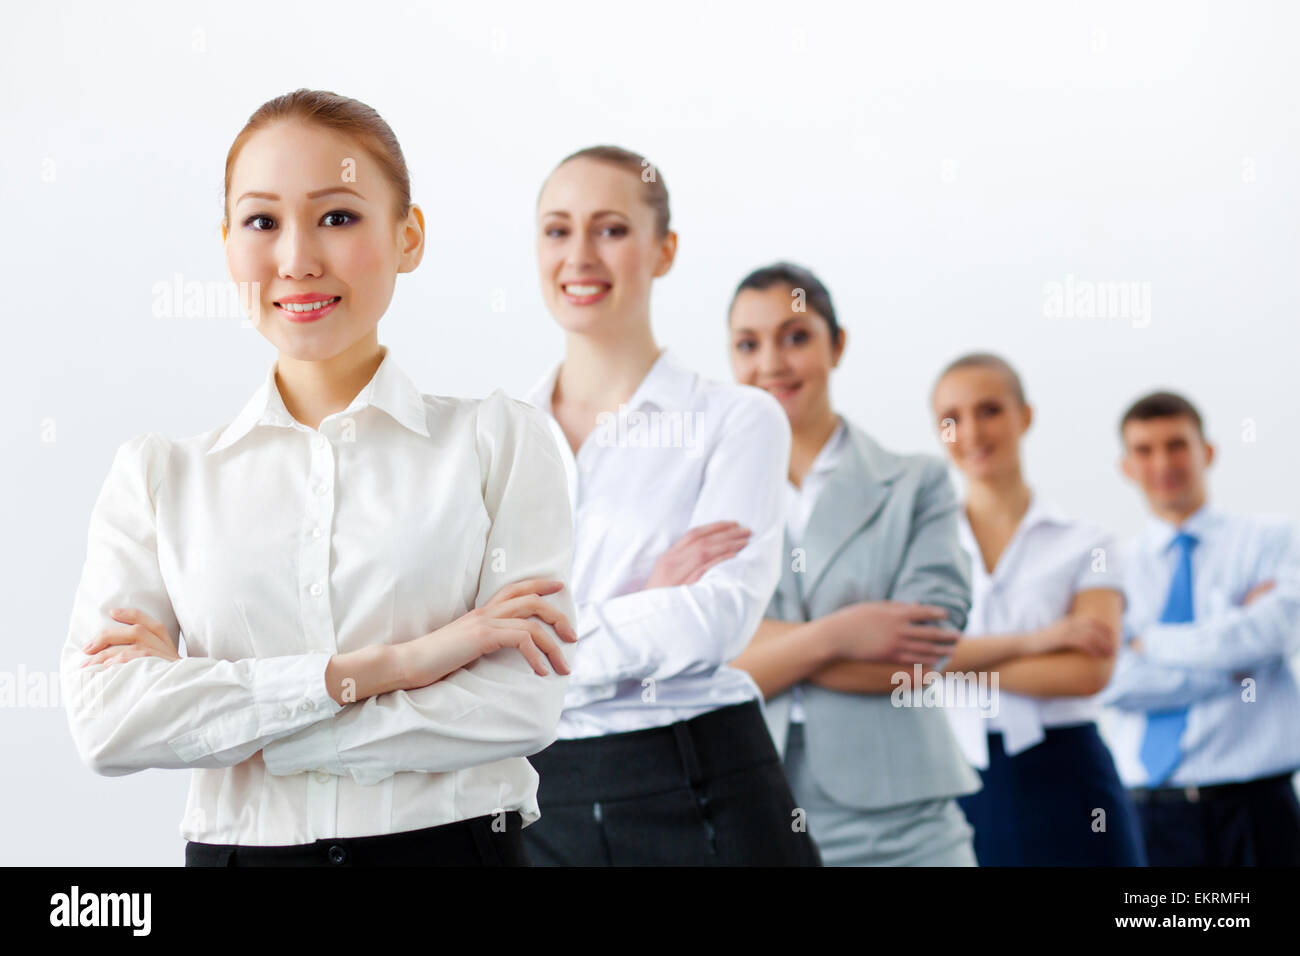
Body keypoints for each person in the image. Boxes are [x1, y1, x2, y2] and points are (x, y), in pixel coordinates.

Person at [60, 89, 577, 867]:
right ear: (227, 241)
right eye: (262, 221)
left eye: (337, 216)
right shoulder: (160, 478)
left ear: (409, 237)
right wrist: (394, 666)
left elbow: (518, 706)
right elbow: (106, 725)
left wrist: (239, 715)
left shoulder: (500, 443)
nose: (296, 258)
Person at [519, 148, 820, 866]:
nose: (580, 255)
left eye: (611, 229)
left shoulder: (737, 419)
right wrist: (645, 600)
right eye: (558, 231)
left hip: (700, 777)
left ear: (665, 249)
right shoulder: (495, 437)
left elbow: (715, 619)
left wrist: (530, 644)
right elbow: (456, 635)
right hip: (537, 794)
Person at [727, 261, 980, 866]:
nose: (772, 363)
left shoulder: (915, 483)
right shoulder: (708, 495)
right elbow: (693, 656)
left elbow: (921, 653)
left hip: (903, 827)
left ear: (836, 345)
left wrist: (756, 649)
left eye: (796, 337)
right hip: (751, 809)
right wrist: (844, 634)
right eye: (748, 344)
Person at [930, 352, 1145, 866]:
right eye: (952, 418)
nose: (973, 432)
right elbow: (906, 658)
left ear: (1024, 416)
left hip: (1068, 772)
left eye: (990, 410)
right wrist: (1039, 641)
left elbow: (1088, 670)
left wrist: (953, 660)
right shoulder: (921, 548)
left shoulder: (1086, 542)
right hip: (956, 777)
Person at [1101, 390, 1300, 866]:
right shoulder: (1110, 569)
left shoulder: (1273, 539)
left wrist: (1146, 643)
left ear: (1206, 452)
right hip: (1153, 817)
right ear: (1127, 466)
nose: (1163, 462)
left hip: (1259, 811)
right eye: (1144, 450)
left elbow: (1275, 630)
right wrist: (1232, 662)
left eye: (1176, 444)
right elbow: (1111, 679)